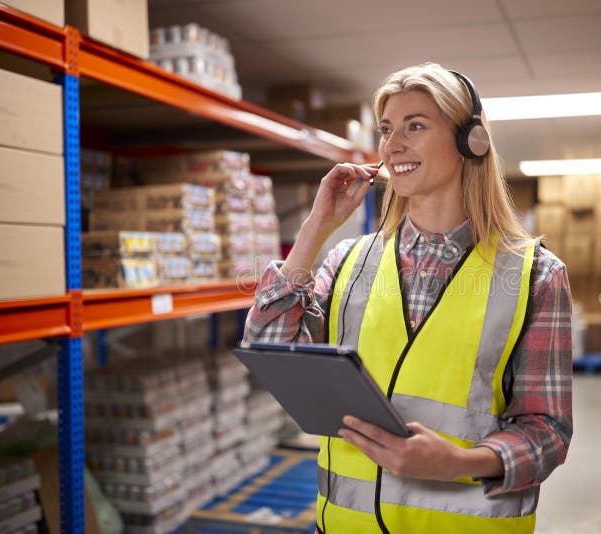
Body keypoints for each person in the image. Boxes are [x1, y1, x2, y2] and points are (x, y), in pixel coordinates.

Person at [243, 62, 573, 534]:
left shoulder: (536, 276)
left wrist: (461, 461)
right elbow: (267, 348)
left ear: (470, 141)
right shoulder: (347, 263)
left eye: (415, 126)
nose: (392, 145)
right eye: (385, 129)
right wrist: (315, 228)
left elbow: (549, 433)